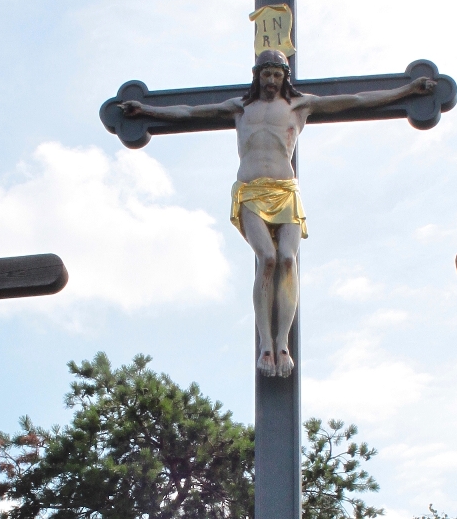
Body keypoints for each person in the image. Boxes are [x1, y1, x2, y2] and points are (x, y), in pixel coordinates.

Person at [121, 50, 436, 376]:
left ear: (285, 78)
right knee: (267, 258)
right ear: (256, 76)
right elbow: (189, 111)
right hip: (251, 192)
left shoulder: (300, 106)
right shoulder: (240, 107)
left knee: (287, 258)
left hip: (285, 192)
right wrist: (147, 109)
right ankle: (266, 346)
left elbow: (357, 99)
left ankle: (282, 343)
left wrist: (407, 91)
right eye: (266, 75)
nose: (271, 81)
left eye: (277, 75)